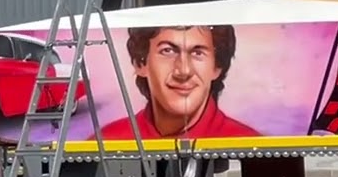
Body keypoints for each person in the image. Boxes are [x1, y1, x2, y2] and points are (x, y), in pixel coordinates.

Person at [98, 25, 258, 140]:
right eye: (168, 51)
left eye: (197, 53)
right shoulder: (108, 139)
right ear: (141, 63)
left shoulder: (247, 139)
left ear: (217, 67)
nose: (183, 71)